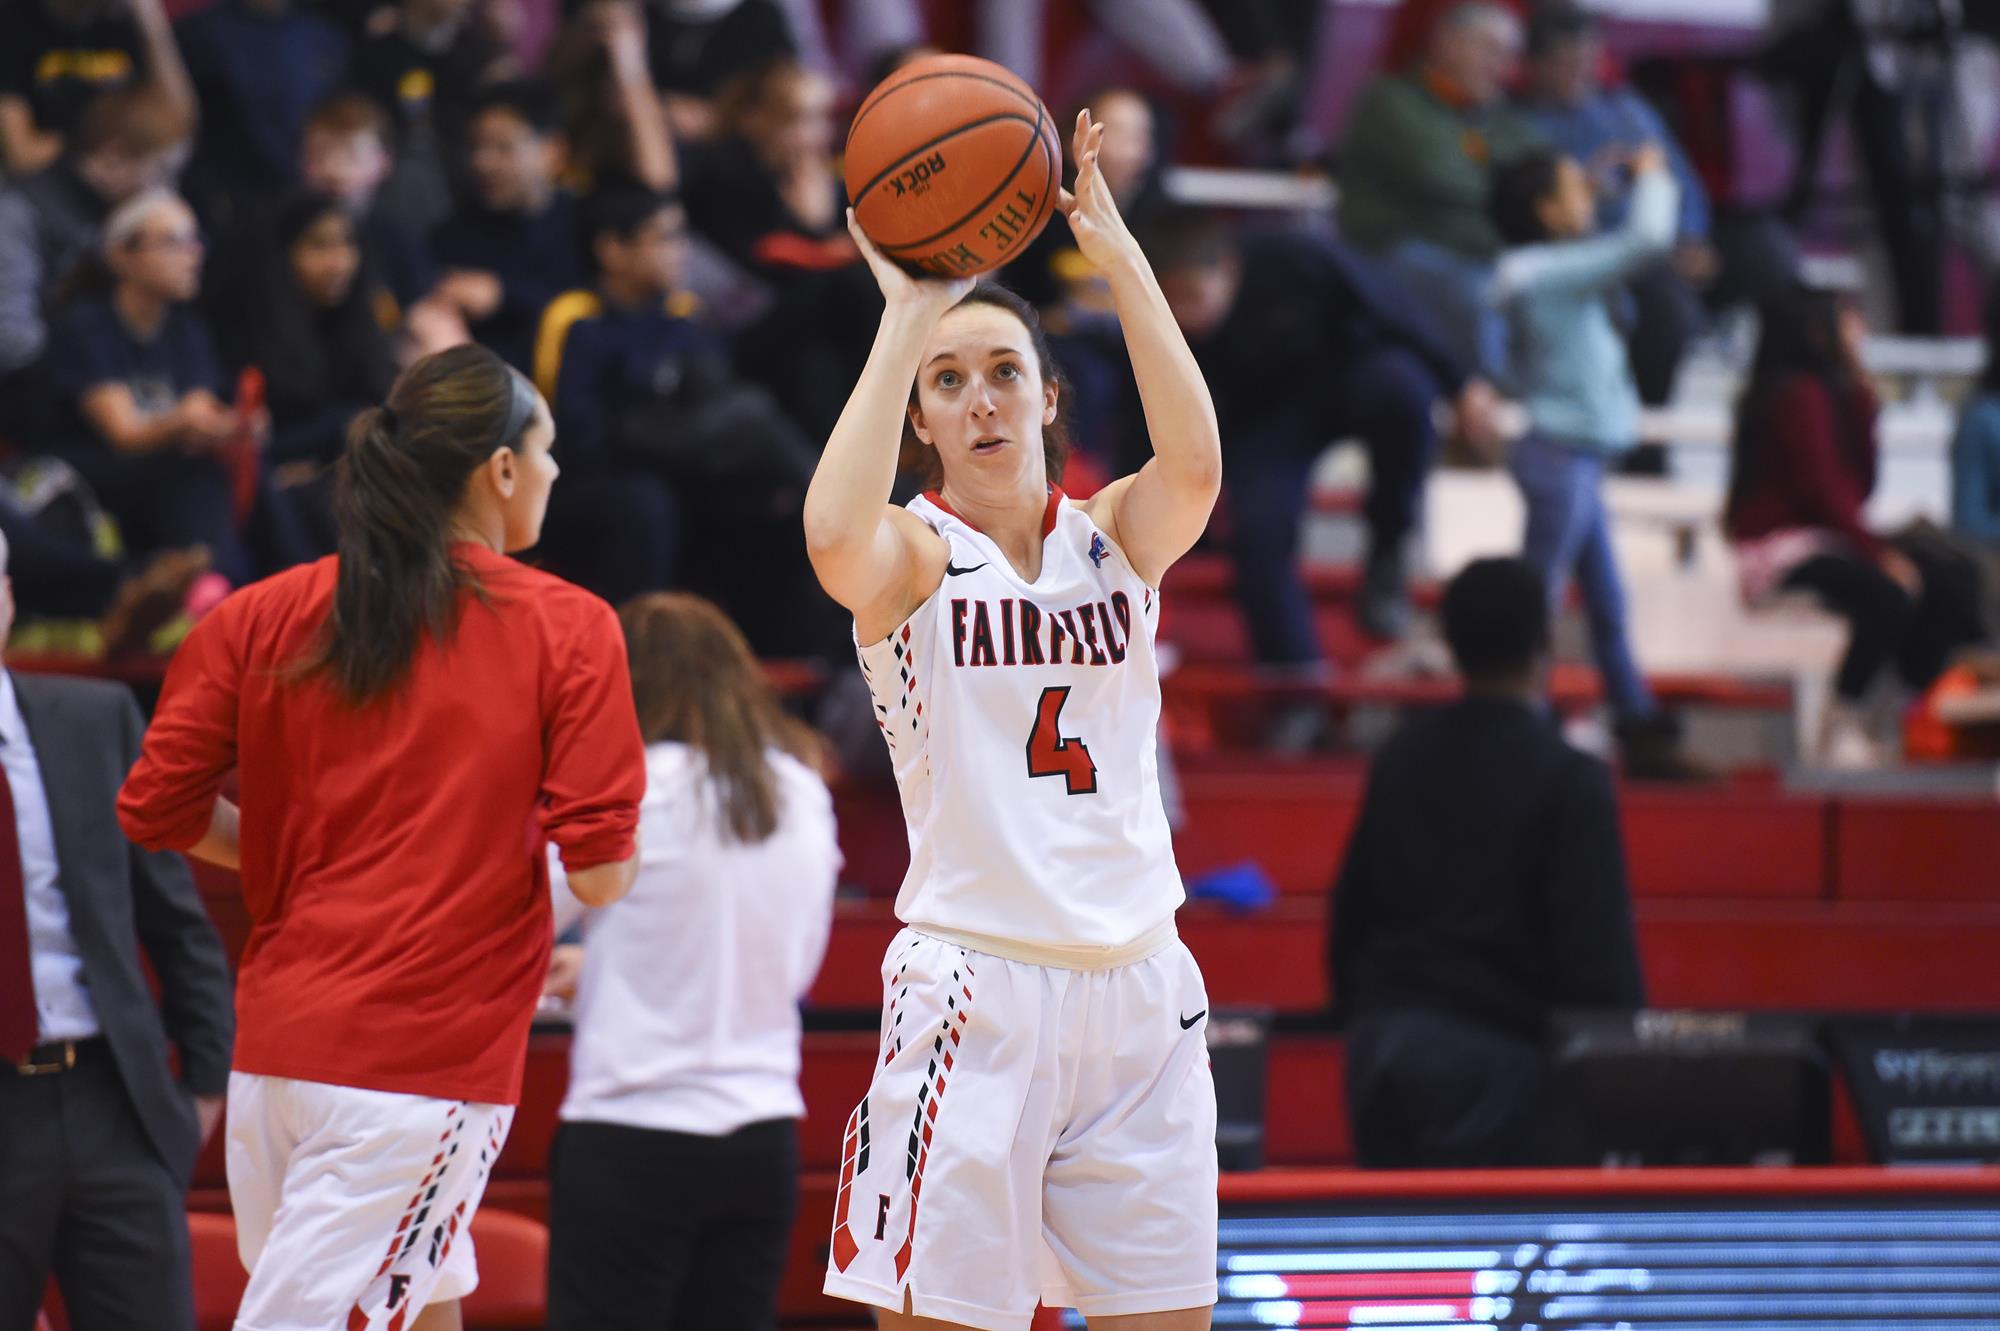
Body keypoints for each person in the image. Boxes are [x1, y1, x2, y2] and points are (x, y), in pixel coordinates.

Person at [117, 343, 648, 1331]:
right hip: (416, 1064)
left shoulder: (258, 612)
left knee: (426, 1301)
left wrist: (290, 851)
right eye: (548, 450)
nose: (556, 473)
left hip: (273, 1059)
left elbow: (158, 805)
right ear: (499, 469)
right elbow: (605, 871)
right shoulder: (570, 625)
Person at [807, 110, 1222, 1330]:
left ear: (1046, 398)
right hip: (973, 989)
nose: (979, 399)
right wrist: (904, 316)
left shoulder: (1116, 535)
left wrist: (1117, 253)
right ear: (920, 423)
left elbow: (1194, 465)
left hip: (1140, 983)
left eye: (1001, 374)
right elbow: (831, 532)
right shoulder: (912, 558)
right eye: (949, 382)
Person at [542, 591, 839, 1331]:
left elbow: (514, 921)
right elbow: (790, 969)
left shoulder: (629, 787)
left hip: (632, 1133)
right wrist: (609, 976)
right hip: (763, 1136)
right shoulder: (801, 793)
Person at [1330, 555, 1644, 1169]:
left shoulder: (1400, 755)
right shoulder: (1573, 779)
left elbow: (1350, 917)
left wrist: (1363, 1020)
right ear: (1545, 642)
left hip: (1383, 1052)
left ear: (1448, 641)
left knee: (1402, 1259)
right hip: (1503, 1069)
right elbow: (1600, 959)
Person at [0, 528, 235, 1331]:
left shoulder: (93, 718)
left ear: (6, 600)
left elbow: (177, 917)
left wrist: (201, 1090)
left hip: (112, 1099)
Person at [1144, 207, 1499, 684]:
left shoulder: (1296, 255)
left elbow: (1392, 305)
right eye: (1172, 302)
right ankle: (1295, 682)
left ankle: (1389, 552)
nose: (1185, 315)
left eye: (1194, 296)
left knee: (1405, 390)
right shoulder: (1156, 324)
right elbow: (1144, 416)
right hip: (1267, 423)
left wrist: (1461, 384)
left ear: (1228, 270)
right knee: (1257, 527)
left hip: (1350, 375)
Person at [1488, 144, 1707, 779]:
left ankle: (1635, 722)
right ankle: (1518, 721)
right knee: (1540, 599)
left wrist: (1591, 185)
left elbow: (1588, 229)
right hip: (1558, 457)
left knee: (1605, 603)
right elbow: (1645, 239)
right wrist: (1654, 176)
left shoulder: (1543, 265)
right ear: (1546, 212)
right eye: (1573, 189)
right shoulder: (1549, 273)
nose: (1588, 194)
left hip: (1574, 458)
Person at [534, 186, 825, 651]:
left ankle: (792, 655)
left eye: (680, 236)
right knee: (657, 496)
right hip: (591, 481)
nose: (681, 251)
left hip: (672, 465)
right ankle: (630, 654)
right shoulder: (577, 320)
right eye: (664, 238)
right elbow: (579, 435)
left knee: (766, 495)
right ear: (614, 250)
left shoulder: (681, 318)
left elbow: (711, 400)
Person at [1725, 283, 1985, 767]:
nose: (1861, 332)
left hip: (1828, 538)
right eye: (1851, 322)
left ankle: (1905, 709)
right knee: (1888, 590)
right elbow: (1823, 495)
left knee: (1954, 580)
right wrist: (1880, 554)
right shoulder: (1794, 398)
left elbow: (1856, 490)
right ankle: (1843, 718)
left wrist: (1864, 401)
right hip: (1781, 550)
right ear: (1819, 331)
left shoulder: (1829, 395)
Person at [42, 188, 263, 585]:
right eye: (174, 241)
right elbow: (124, 435)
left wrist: (234, 427)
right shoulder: (87, 326)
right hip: (88, 476)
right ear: (121, 256)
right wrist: (185, 422)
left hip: (162, 470)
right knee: (192, 474)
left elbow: (199, 412)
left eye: (196, 239)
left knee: (246, 469)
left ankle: (239, 590)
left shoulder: (187, 329)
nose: (193, 253)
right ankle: (222, 588)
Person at [1514, 1, 1713, 406]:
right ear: (1534, 64)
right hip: (1565, 260)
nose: (1579, 71)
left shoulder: (1624, 111)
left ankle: (1650, 434)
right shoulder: (1515, 125)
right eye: (1564, 60)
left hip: (1645, 254)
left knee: (1673, 306)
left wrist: (1690, 235)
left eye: (1586, 59)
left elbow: (1681, 180)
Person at [1335, 0, 1541, 375]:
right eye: (1490, 49)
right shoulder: (1391, 99)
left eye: (1510, 55)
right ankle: (1485, 407)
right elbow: (1438, 175)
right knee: (1476, 295)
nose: (1502, 66)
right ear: (1447, 44)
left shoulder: (1503, 118)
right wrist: (1504, 185)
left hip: (1485, 257)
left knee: (1573, 287)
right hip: (1395, 250)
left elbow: (1538, 181)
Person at [0, 81, 190, 393]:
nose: (165, 190)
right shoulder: (17, 211)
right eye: (160, 170)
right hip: (39, 399)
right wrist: (91, 374)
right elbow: (9, 338)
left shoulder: (119, 213)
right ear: (114, 155)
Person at [431, 80, 589, 373]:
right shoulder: (455, 231)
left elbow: (602, 302)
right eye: (477, 146)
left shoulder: (585, 222)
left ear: (553, 152)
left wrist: (503, 294)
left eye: (504, 147)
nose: (483, 162)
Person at [0, 0, 195, 177]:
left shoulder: (121, 26)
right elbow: (21, 153)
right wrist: (81, 146)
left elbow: (173, 120)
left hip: (81, 178)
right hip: (36, 180)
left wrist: (151, 20)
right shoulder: (15, 19)